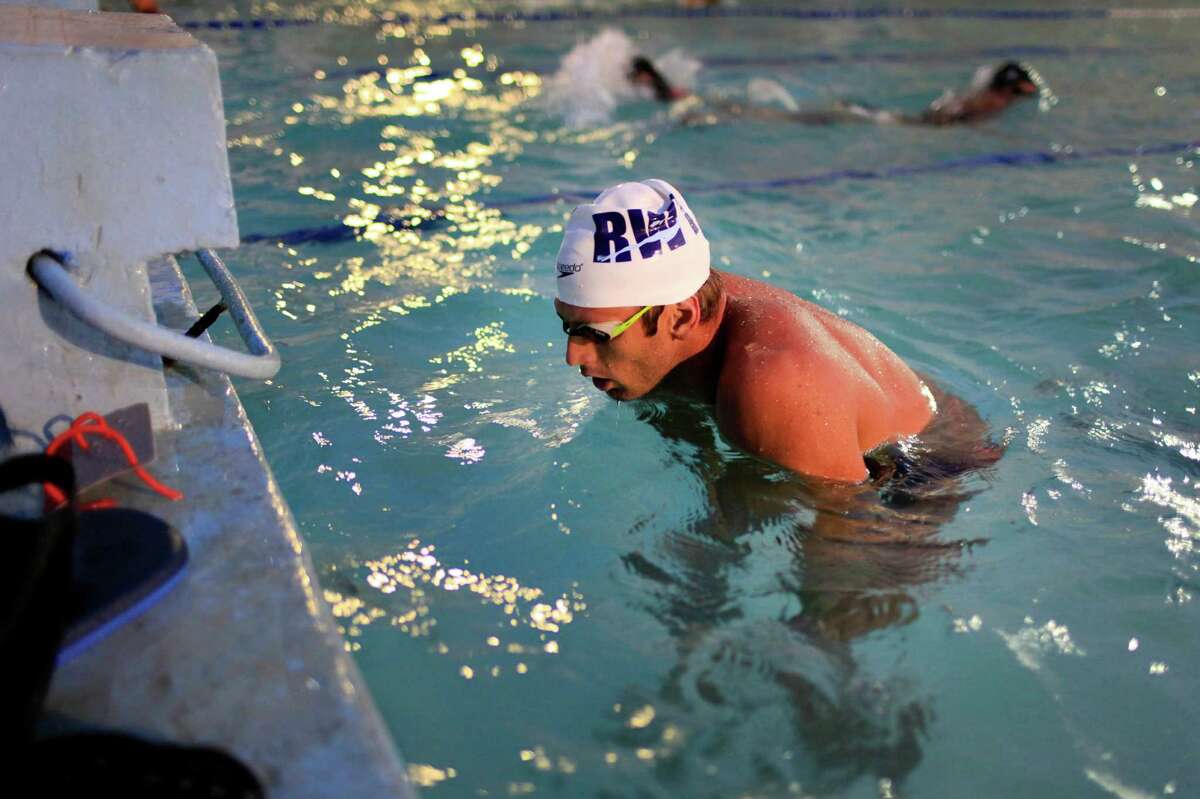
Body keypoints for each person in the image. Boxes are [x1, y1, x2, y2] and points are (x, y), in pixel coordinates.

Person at [553, 178, 1000, 483]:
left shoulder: (772, 384)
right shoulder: (671, 318)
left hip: (926, 460)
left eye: (596, 334)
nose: (573, 356)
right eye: (568, 326)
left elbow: (851, 544)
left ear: (682, 319)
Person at [629, 57, 1039, 126]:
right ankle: (694, 105)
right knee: (784, 118)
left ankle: (684, 97)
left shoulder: (970, 101)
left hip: (871, 115)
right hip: (869, 120)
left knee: (787, 116)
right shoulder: (977, 105)